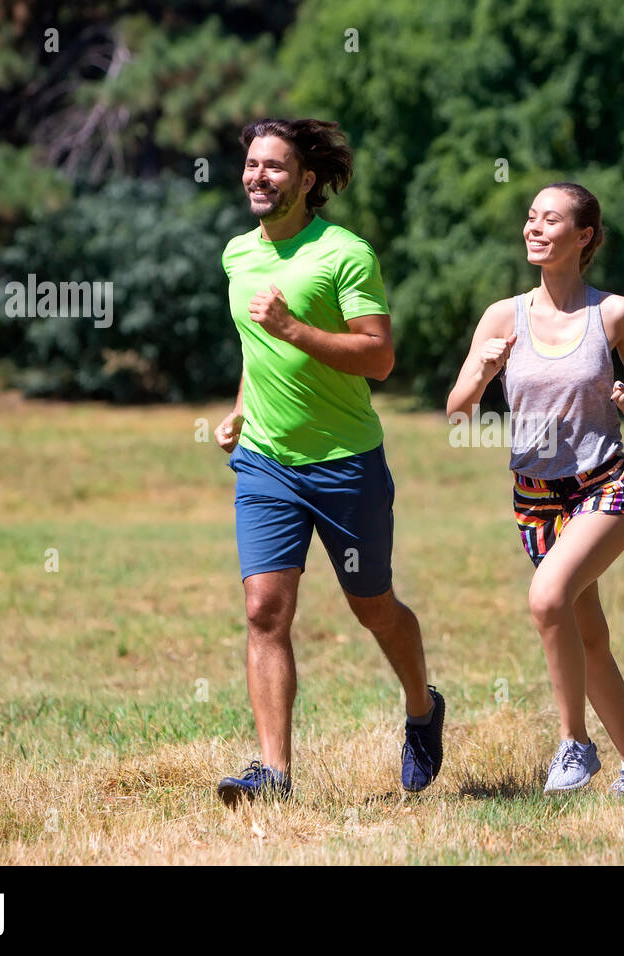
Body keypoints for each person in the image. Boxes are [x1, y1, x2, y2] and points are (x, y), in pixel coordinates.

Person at [213, 118, 443, 806]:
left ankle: (422, 709)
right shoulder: (236, 255)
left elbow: (378, 356)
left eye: (274, 167)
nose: (258, 176)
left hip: (345, 465)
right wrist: (240, 410)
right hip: (266, 465)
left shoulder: (343, 253)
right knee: (264, 610)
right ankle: (273, 774)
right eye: (252, 164)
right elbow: (258, 356)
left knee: (373, 609)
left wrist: (296, 329)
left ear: (307, 181)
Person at [445, 182, 624, 794]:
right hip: (536, 497)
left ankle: (573, 744)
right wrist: (484, 372)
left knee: (546, 600)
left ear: (584, 236)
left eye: (551, 219)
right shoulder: (502, 317)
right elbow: (457, 412)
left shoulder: (614, 313)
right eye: (531, 218)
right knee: (587, 634)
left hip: (604, 485)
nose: (534, 228)